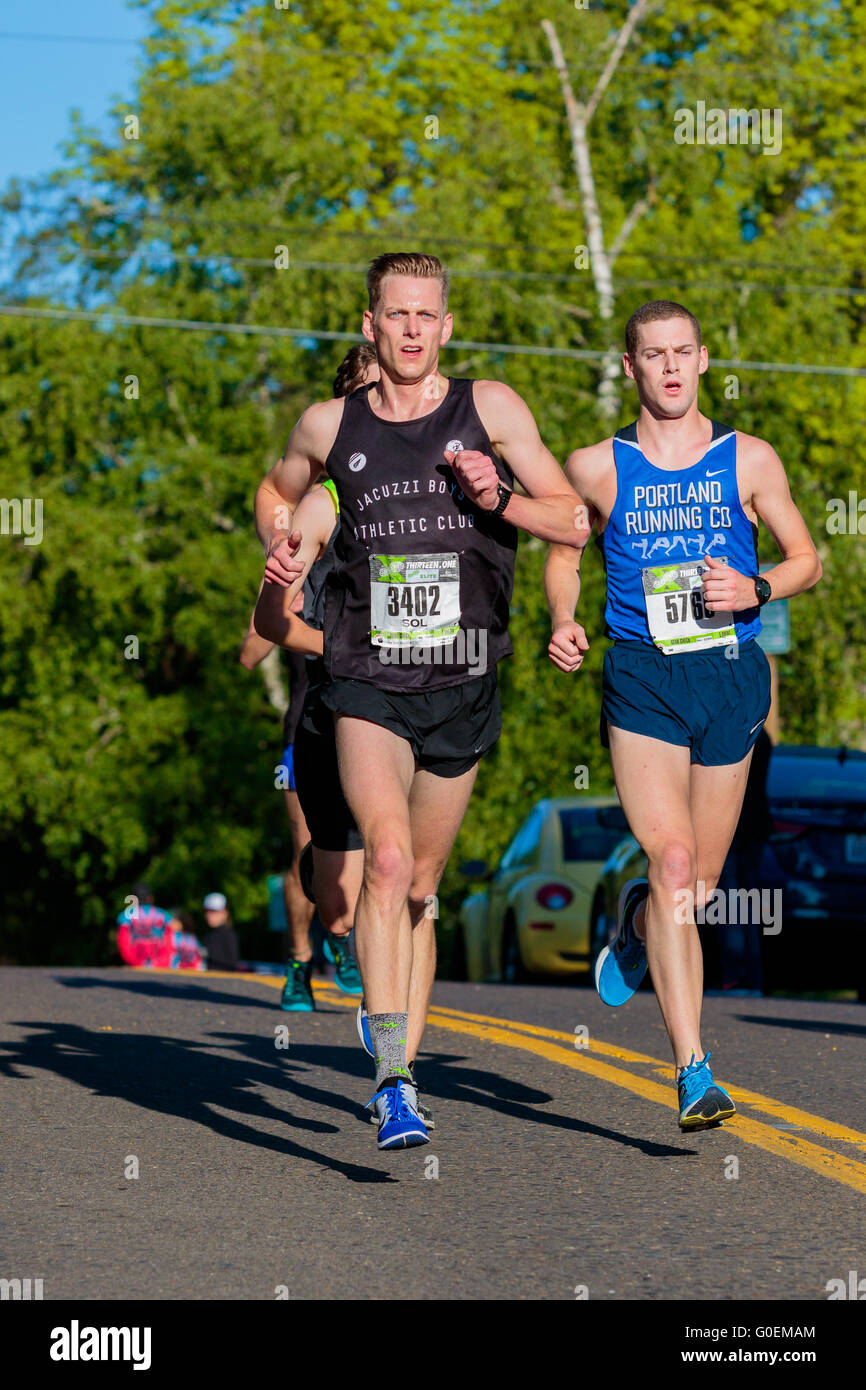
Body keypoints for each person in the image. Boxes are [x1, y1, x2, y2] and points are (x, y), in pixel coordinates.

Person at [255, 251, 587, 1150]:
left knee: (424, 889)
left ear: (446, 325)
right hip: (368, 677)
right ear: (372, 325)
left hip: (466, 675)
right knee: (388, 862)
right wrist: (282, 545)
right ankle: (393, 1079)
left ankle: (404, 1047)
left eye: (425, 315)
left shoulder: (493, 408)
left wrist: (500, 494)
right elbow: (277, 492)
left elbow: (575, 519)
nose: (410, 330)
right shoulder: (330, 423)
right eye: (394, 315)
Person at [544, 299, 821, 1130]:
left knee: (693, 886)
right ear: (629, 368)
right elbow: (566, 551)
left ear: (704, 360)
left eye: (683, 352)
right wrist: (565, 618)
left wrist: (759, 585)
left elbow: (809, 557)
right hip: (642, 680)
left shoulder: (750, 460)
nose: (669, 367)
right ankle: (693, 1070)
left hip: (730, 680)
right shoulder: (597, 466)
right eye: (652, 354)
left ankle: (633, 926)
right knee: (671, 865)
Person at [202, 891, 241, 972]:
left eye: (214, 912)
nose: (209, 915)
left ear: (224, 913)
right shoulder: (208, 936)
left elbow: (232, 963)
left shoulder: (229, 935)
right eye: (207, 911)